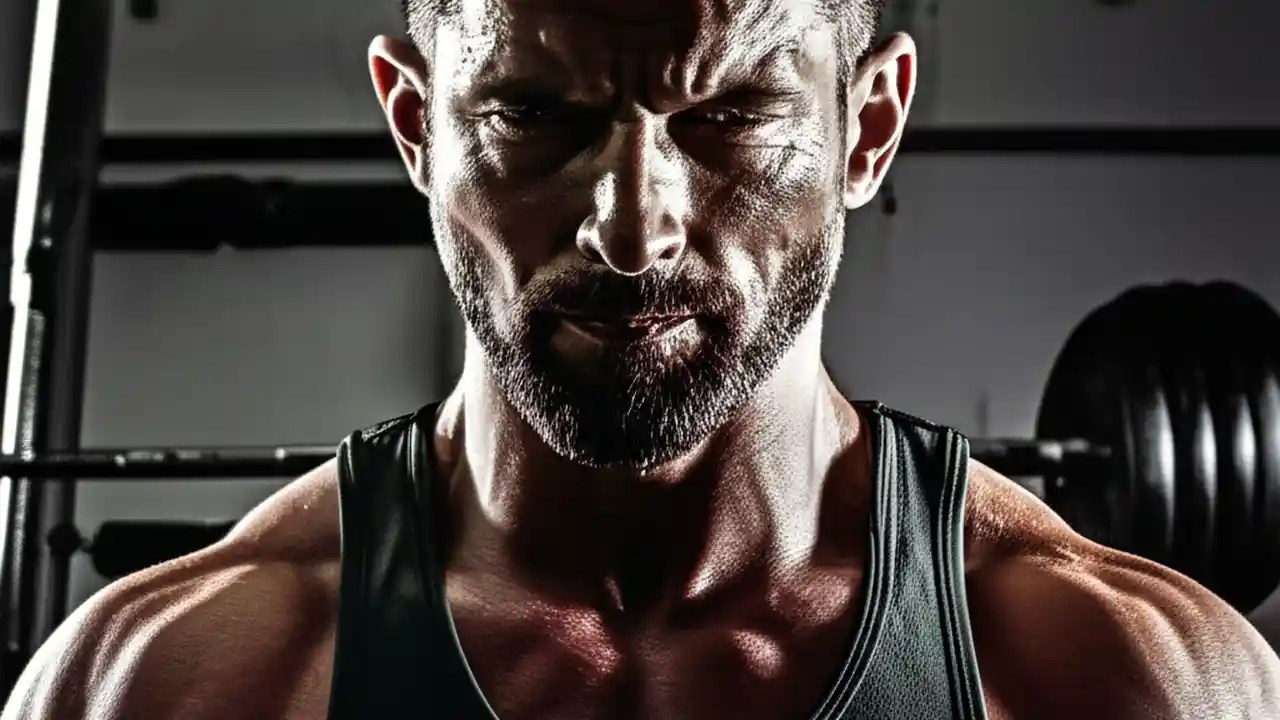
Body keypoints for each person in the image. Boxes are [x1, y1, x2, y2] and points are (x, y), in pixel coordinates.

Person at [6, 0, 1280, 717]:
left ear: (866, 128)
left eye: (730, 115)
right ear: (414, 125)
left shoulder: (1122, 684)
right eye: (533, 116)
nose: (631, 228)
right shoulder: (163, 688)